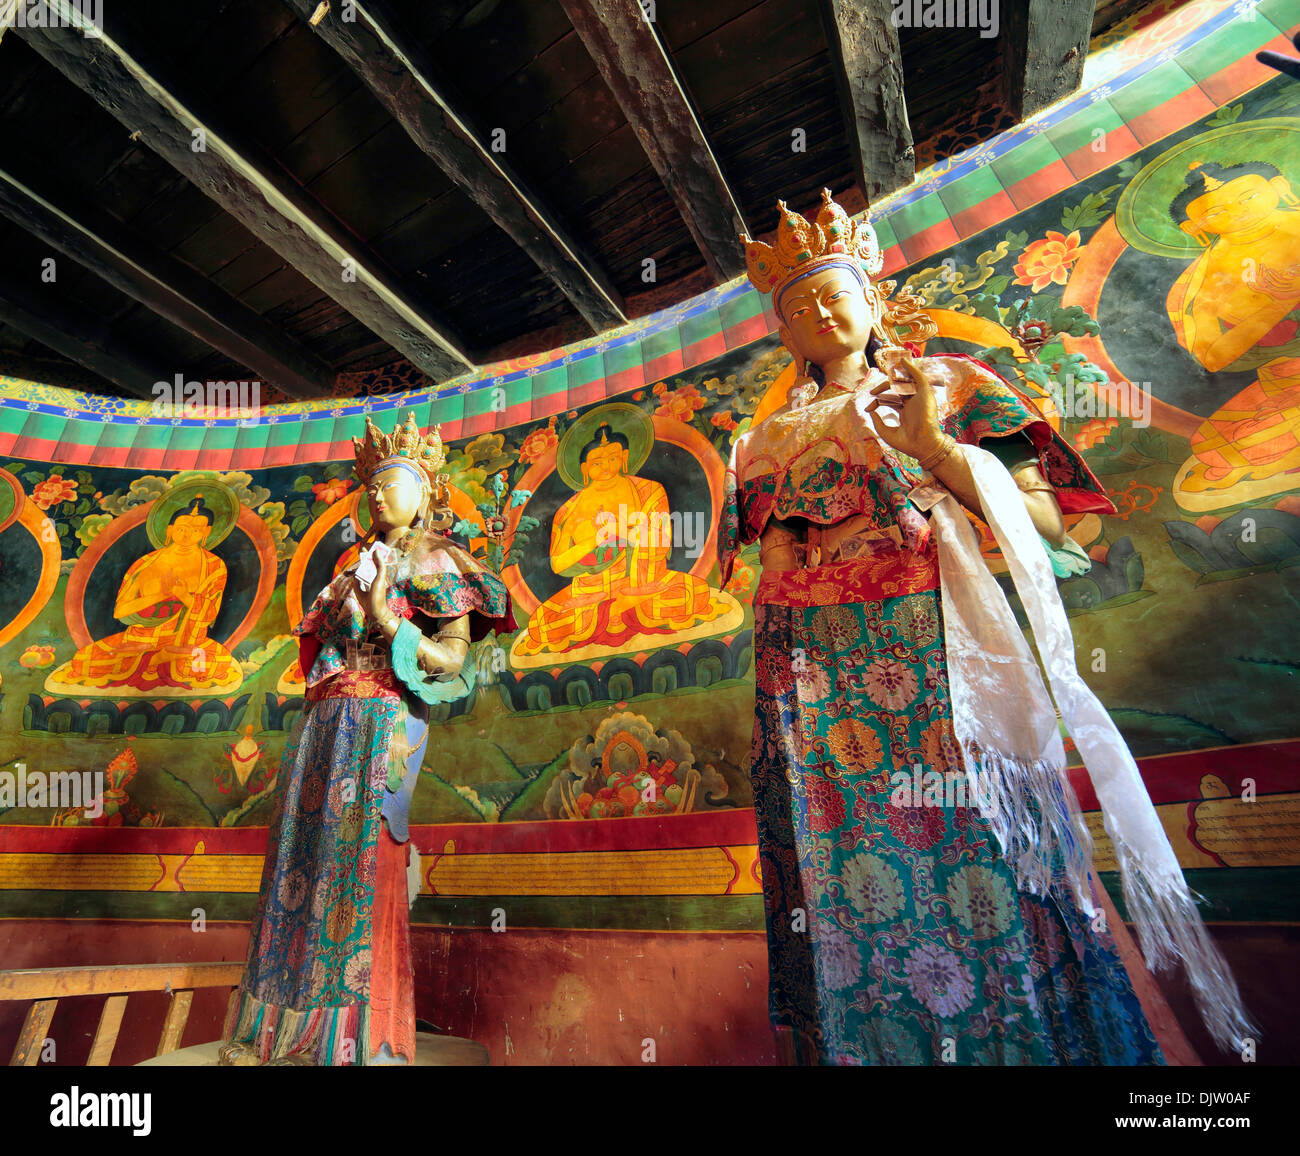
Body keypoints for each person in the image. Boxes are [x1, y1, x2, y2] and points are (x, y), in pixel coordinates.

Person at [720, 189, 1253, 1065]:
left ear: (873, 297)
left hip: (933, 639)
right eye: (798, 305)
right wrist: (779, 653)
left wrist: (936, 451)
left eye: (832, 291)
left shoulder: (947, 383)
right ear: (784, 334)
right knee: (834, 853)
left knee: (985, 839)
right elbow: (777, 552)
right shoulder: (767, 438)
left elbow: (1044, 520)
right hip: (814, 668)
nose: (819, 310)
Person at [220, 413, 510, 1066]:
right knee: (300, 863)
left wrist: (392, 623)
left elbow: (454, 660)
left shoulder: (441, 563)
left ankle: (351, 1040)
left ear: (427, 492)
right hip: (321, 727)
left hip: (382, 723)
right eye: (371, 485)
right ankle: (273, 1032)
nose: (378, 494)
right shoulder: (347, 572)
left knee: (358, 865)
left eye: (394, 481)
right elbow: (316, 649)